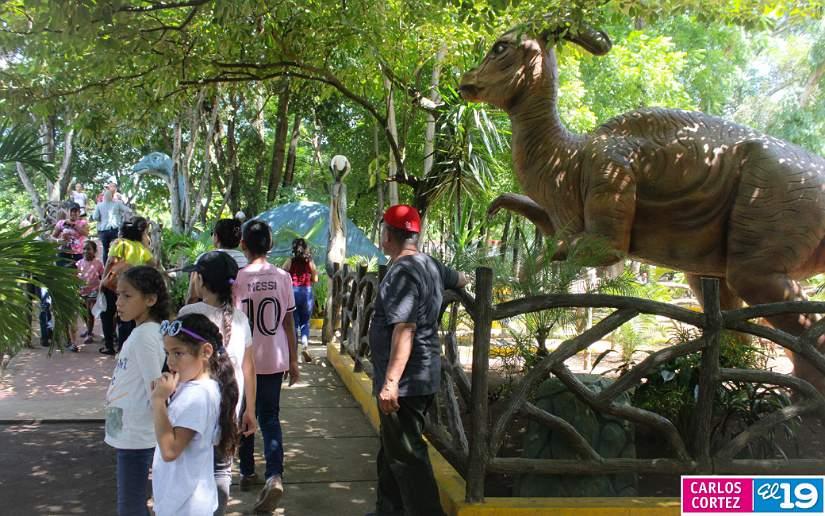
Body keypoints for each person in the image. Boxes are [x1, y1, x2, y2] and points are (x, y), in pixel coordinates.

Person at [367, 205, 468, 516]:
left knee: (408, 456)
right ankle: (388, 510)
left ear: (388, 235)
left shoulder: (401, 272)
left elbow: (405, 329)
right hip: (422, 373)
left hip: (406, 381)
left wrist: (391, 383)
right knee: (392, 450)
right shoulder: (428, 264)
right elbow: (461, 279)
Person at [177, 251, 256, 515]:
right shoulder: (241, 319)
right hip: (229, 412)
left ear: (200, 279)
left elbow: (177, 361)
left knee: (191, 471)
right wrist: (250, 410)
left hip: (194, 414)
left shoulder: (189, 314)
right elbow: (248, 368)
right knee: (222, 470)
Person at [233, 219, 300, 513]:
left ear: (243, 245)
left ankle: (247, 471)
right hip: (274, 359)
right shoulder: (283, 277)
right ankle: (274, 475)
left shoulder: (238, 279)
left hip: (243, 360)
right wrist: (295, 360)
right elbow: (288, 322)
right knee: (270, 417)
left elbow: (232, 324)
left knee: (245, 416)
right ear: (270, 246)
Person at [150, 314, 239, 516]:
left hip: (186, 505)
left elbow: (170, 450)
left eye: (178, 353)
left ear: (205, 351)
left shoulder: (197, 396)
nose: (170, 362)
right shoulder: (193, 387)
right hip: (183, 500)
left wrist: (158, 402)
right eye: (167, 353)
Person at [103, 266, 168, 516]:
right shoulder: (141, 332)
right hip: (130, 432)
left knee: (130, 506)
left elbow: (156, 390)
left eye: (127, 296)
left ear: (150, 299)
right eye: (118, 295)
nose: (118, 302)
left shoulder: (145, 336)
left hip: (137, 435)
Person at [99, 217, 155, 355]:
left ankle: (109, 345)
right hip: (132, 288)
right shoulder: (141, 248)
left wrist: (103, 281)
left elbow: (110, 262)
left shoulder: (119, 243)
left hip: (113, 285)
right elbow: (153, 265)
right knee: (126, 317)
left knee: (107, 314)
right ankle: (125, 348)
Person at [185, 218, 247, 305]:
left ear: (216, 237)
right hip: (240, 312)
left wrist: (185, 313)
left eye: (212, 234)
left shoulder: (204, 259)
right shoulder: (246, 260)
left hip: (210, 313)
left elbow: (192, 296)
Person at [282, 238, 318, 363]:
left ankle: (294, 353)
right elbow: (316, 278)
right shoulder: (310, 262)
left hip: (293, 292)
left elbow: (282, 274)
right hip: (306, 292)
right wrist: (309, 279)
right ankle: (305, 346)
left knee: (294, 323)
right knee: (305, 322)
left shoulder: (290, 261)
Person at [92, 188, 131, 264]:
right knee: (117, 248)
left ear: (104, 197)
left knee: (105, 250)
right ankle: (116, 265)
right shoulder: (117, 203)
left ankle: (106, 267)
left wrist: (101, 219)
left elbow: (95, 217)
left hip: (103, 230)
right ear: (112, 196)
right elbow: (128, 210)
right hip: (115, 229)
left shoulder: (99, 205)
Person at [77, 240, 104, 346]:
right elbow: (76, 276)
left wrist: (100, 288)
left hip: (93, 291)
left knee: (89, 312)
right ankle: (89, 329)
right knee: (83, 312)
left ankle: (89, 333)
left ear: (94, 251)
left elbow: (102, 276)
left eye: (88, 249)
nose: (86, 251)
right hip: (82, 291)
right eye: (84, 249)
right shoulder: (79, 263)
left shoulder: (98, 263)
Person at [52, 202, 88, 267]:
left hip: (79, 253)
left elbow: (86, 233)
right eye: (71, 211)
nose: (73, 213)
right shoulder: (61, 223)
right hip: (64, 252)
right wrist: (59, 240)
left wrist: (73, 225)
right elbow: (53, 237)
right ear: (67, 212)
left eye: (75, 211)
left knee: (79, 274)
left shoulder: (83, 223)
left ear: (79, 212)